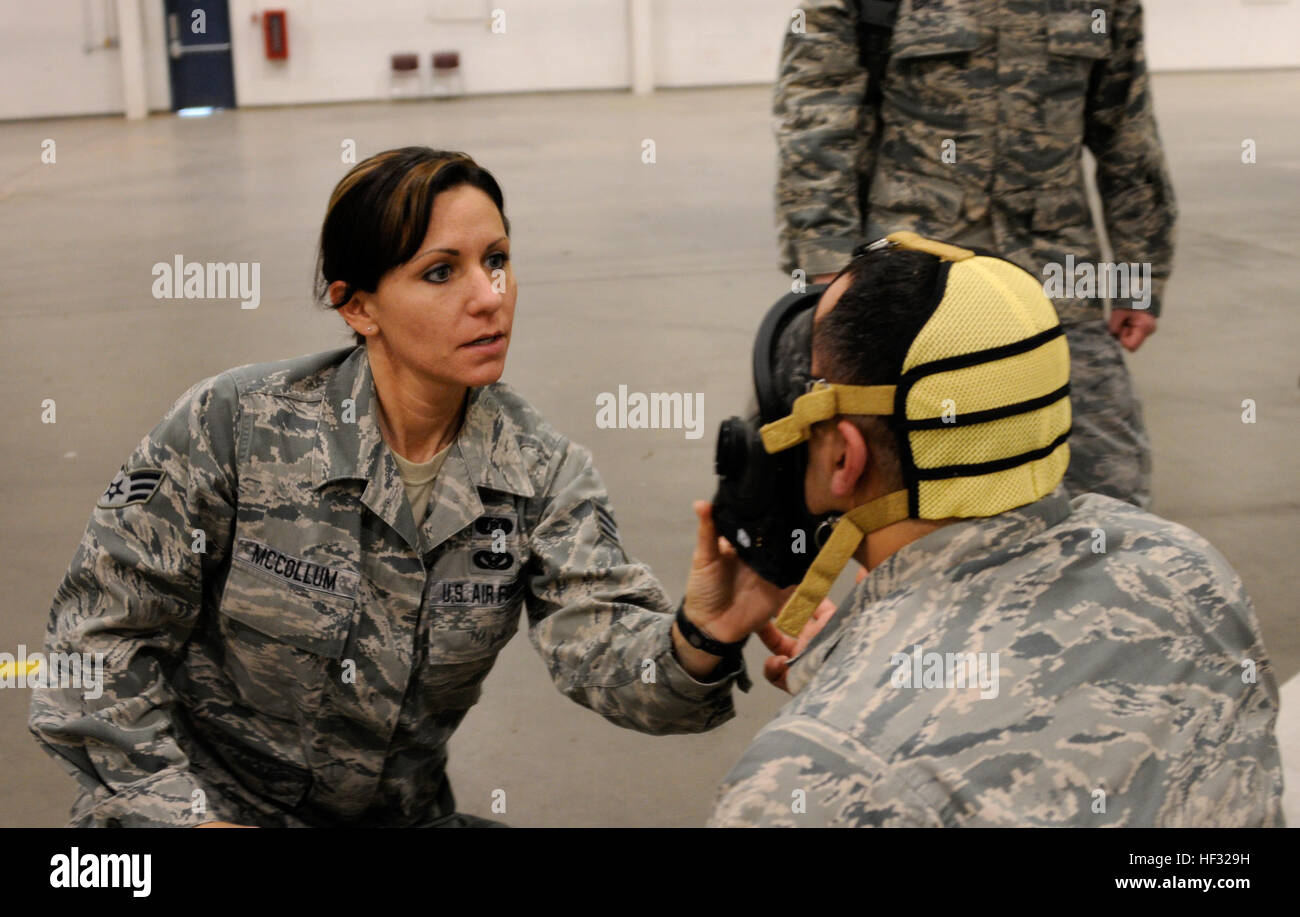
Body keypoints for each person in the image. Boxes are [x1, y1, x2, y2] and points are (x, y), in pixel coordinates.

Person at [29, 147, 782, 828]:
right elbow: (94, 646)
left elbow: (609, 657)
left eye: (497, 260)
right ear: (358, 306)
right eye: (440, 272)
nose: (488, 296)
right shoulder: (233, 426)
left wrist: (702, 633)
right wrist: (185, 818)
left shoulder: (540, 473)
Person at [710, 234, 1283, 827]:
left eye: (808, 385)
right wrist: (858, 668)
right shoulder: (1187, 569)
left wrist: (850, 710)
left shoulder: (799, 785)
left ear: (843, 457)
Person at [774, 0, 1177, 508]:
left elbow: (1126, 127)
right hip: (908, 279)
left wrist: (1140, 276)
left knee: (1106, 487)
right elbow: (817, 117)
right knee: (857, 480)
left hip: (1056, 275)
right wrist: (825, 264)